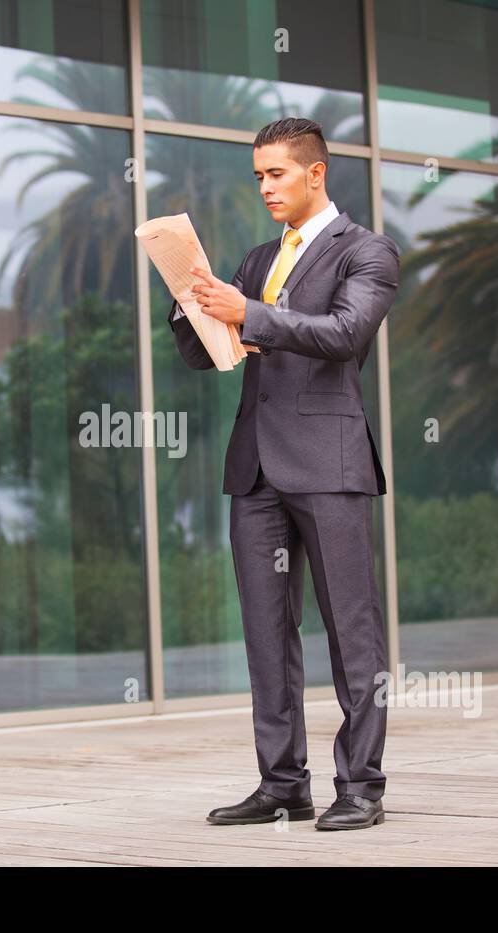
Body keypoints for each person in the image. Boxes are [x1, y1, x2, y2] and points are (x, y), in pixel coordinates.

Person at [165, 117, 400, 830]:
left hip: (330, 467)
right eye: (258, 175)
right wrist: (188, 302)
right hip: (256, 471)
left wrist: (252, 313)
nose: (264, 186)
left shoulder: (368, 251)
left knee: (350, 631)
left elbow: (345, 335)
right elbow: (211, 354)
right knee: (266, 635)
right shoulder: (256, 258)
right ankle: (282, 783)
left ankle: (360, 786)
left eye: (276, 173)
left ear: (315, 173)